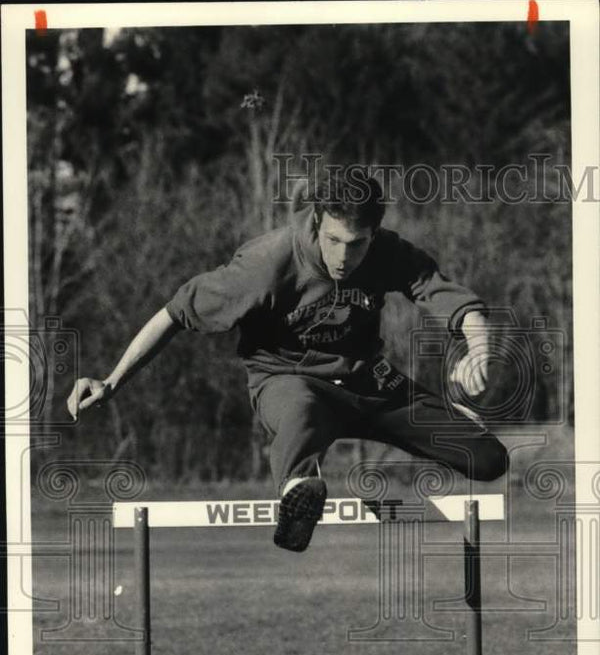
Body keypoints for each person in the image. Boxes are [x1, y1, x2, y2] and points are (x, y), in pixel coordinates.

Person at [67, 171, 508, 551]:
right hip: (287, 377)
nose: (342, 257)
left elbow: (450, 298)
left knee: (489, 462)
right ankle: (299, 493)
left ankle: (453, 421)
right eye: (333, 241)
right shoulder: (267, 263)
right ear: (317, 221)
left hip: (366, 381)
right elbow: (173, 314)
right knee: (298, 406)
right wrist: (112, 382)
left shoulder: (387, 251)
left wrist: (480, 348)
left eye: (355, 246)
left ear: (373, 235)